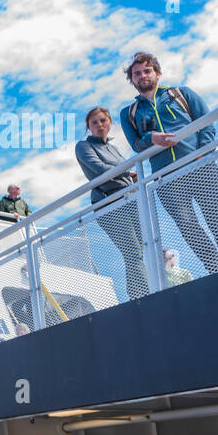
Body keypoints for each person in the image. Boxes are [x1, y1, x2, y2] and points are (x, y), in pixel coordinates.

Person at [119, 51, 218, 274]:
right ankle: (217, 269)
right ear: (132, 80)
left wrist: (201, 153)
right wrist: (151, 138)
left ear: (158, 73)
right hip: (167, 179)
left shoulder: (181, 93)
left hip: (201, 166)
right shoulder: (129, 113)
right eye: (137, 74)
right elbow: (136, 145)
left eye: (147, 71)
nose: (143, 76)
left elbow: (207, 124)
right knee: (189, 228)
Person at [75, 106, 148, 300]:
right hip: (109, 201)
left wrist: (135, 180)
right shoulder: (83, 146)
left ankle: (138, 295)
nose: (100, 125)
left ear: (110, 123)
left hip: (130, 199)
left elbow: (124, 172)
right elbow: (99, 168)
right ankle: (143, 294)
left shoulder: (113, 148)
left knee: (140, 248)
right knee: (132, 249)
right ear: (88, 127)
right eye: (95, 122)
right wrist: (128, 168)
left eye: (103, 120)